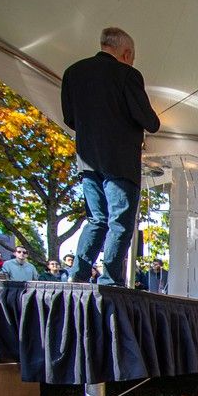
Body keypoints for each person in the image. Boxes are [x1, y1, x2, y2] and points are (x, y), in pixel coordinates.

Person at [61, 27, 160, 287]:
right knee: (120, 222)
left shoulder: (73, 73)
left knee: (96, 219)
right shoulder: (127, 75)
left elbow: (70, 118)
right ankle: (109, 280)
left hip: (87, 159)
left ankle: (79, 276)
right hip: (120, 162)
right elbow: (149, 121)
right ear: (126, 53)